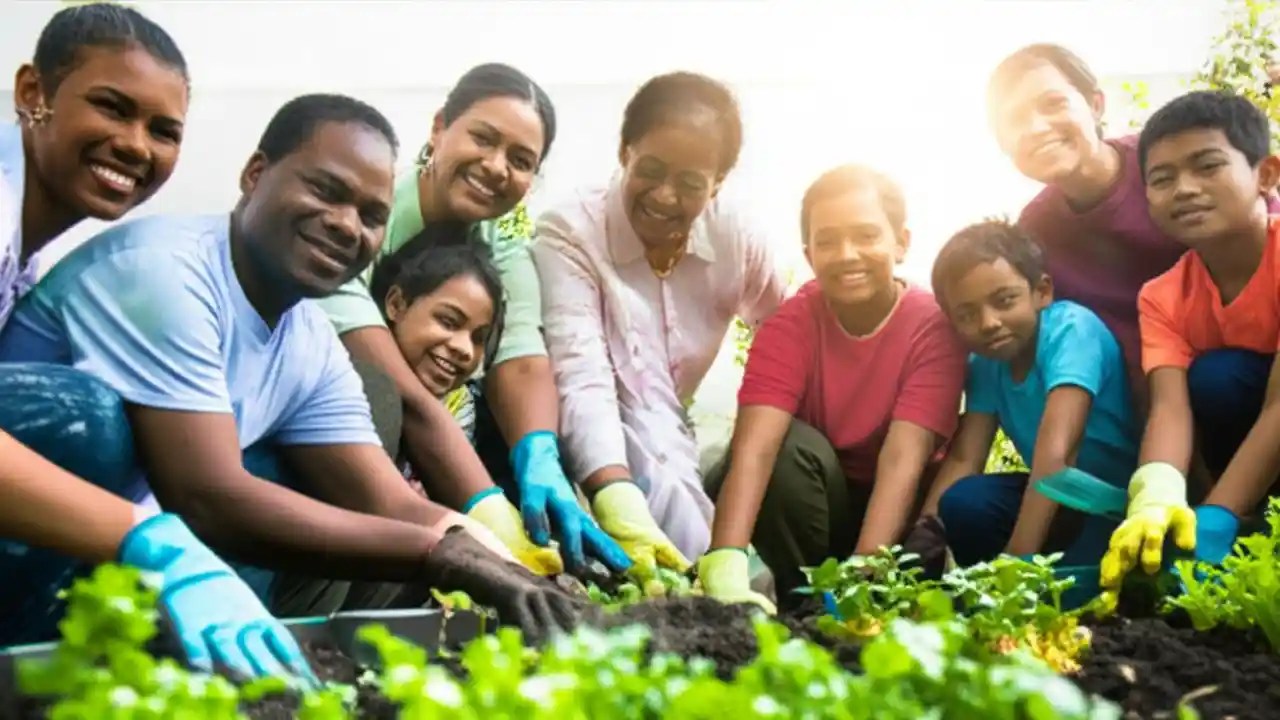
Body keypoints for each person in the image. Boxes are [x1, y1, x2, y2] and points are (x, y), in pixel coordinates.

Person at [0, 92, 581, 642]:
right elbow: (208, 494)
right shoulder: (165, 271)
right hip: (33, 517)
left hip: (116, 547)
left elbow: (389, 500)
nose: (346, 224)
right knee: (101, 424)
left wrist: (500, 561)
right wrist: (442, 556)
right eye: (326, 190)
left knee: (308, 488)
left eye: (372, 215)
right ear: (255, 174)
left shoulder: (308, 339)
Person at [0, 4, 315, 682]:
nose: (137, 145)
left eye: (163, 131)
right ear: (34, 94)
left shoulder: (33, 240)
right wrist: (152, 540)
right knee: (85, 415)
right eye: (112, 108)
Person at [316, 64, 627, 577]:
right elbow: (404, 397)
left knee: (527, 427)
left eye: (521, 160)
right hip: (330, 432)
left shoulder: (500, 242)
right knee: (378, 398)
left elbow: (521, 360)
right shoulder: (367, 212)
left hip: (422, 438)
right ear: (440, 127)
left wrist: (539, 452)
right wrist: (487, 512)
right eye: (483, 138)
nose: (496, 167)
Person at [531, 71, 788, 567]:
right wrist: (613, 492)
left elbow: (781, 334)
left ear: (717, 185)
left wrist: (754, 432)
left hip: (673, 427)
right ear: (625, 151)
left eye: (691, 182)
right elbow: (582, 375)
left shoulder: (736, 237)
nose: (666, 197)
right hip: (584, 423)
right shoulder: (570, 232)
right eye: (651, 169)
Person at [699, 164, 967, 612]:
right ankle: (801, 599)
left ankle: (864, 598)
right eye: (827, 241)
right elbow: (756, 448)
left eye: (866, 236)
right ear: (809, 255)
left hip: (898, 518)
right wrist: (724, 557)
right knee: (782, 449)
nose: (847, 254)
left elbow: (904, 458)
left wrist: (864, 572)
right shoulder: (791, 324)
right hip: (820, 505)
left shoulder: (931, 327)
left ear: (901, 243)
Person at [1101, 91, 1280, 608]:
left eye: (1208, 166)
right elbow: (1170, 409)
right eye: (1162, 179)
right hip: (1250, 444)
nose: (1185, 189)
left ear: (1265, 175)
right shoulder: (1162, 296)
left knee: (1225, 376)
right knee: (1216, 381)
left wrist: (1217, 513)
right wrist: (1155, 497)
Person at [987, 44, 1201, 396]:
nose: (1037, 128)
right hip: (1134, 400)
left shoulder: (1166, 162)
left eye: (1053, 104)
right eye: (1015, 120)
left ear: (1096, 105)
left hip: (1231, 366)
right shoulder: (1035, 231)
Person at [922, 219, 1138, 566]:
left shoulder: (1071, 331)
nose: (988, 322)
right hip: (1058, 502)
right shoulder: (987, 363)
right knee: (965, 503)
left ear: (1042, 291)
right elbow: (965, 458)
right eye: (967, 314)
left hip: (1120, 501)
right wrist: (924, 535)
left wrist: (1016, 565)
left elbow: (1058, 458)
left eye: (1004, 301)